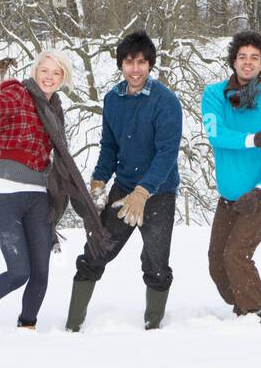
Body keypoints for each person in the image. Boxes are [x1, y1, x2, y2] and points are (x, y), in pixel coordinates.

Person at [0, 50, 106, 329]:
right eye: (44, 70)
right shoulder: (18, 95)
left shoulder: (55, 110)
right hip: (6, 193)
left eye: (56, 73)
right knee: (18, 272)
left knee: (40, 273)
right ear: (35, 72)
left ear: (63, 79)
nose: (49, 77)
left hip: (38, 196)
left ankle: (27, 327)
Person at [65, 31, 182, 331]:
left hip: (158, 194)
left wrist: (144, 192)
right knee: (97, 251)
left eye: (142, 62)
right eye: (129, 61)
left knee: (156, 264)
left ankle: (153, 327)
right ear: (121, 64)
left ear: (150, 65)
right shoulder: (113, 99)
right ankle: (72, 326)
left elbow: (167, 153)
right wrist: (99, 180)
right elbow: (110, 146)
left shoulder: (166, 102)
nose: (135, 69)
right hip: (123, 189)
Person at [201, 31, 261, 324]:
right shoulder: (214, 95)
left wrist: (259, 191)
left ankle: (258, 310)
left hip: (258, 198)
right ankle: (243, 302)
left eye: (255, 57)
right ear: (233, 61)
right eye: (242, 56)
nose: (248, 62)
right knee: (217, 263)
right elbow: (215, 135)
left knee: (235, 254)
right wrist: (256, 139)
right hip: (228, 197)